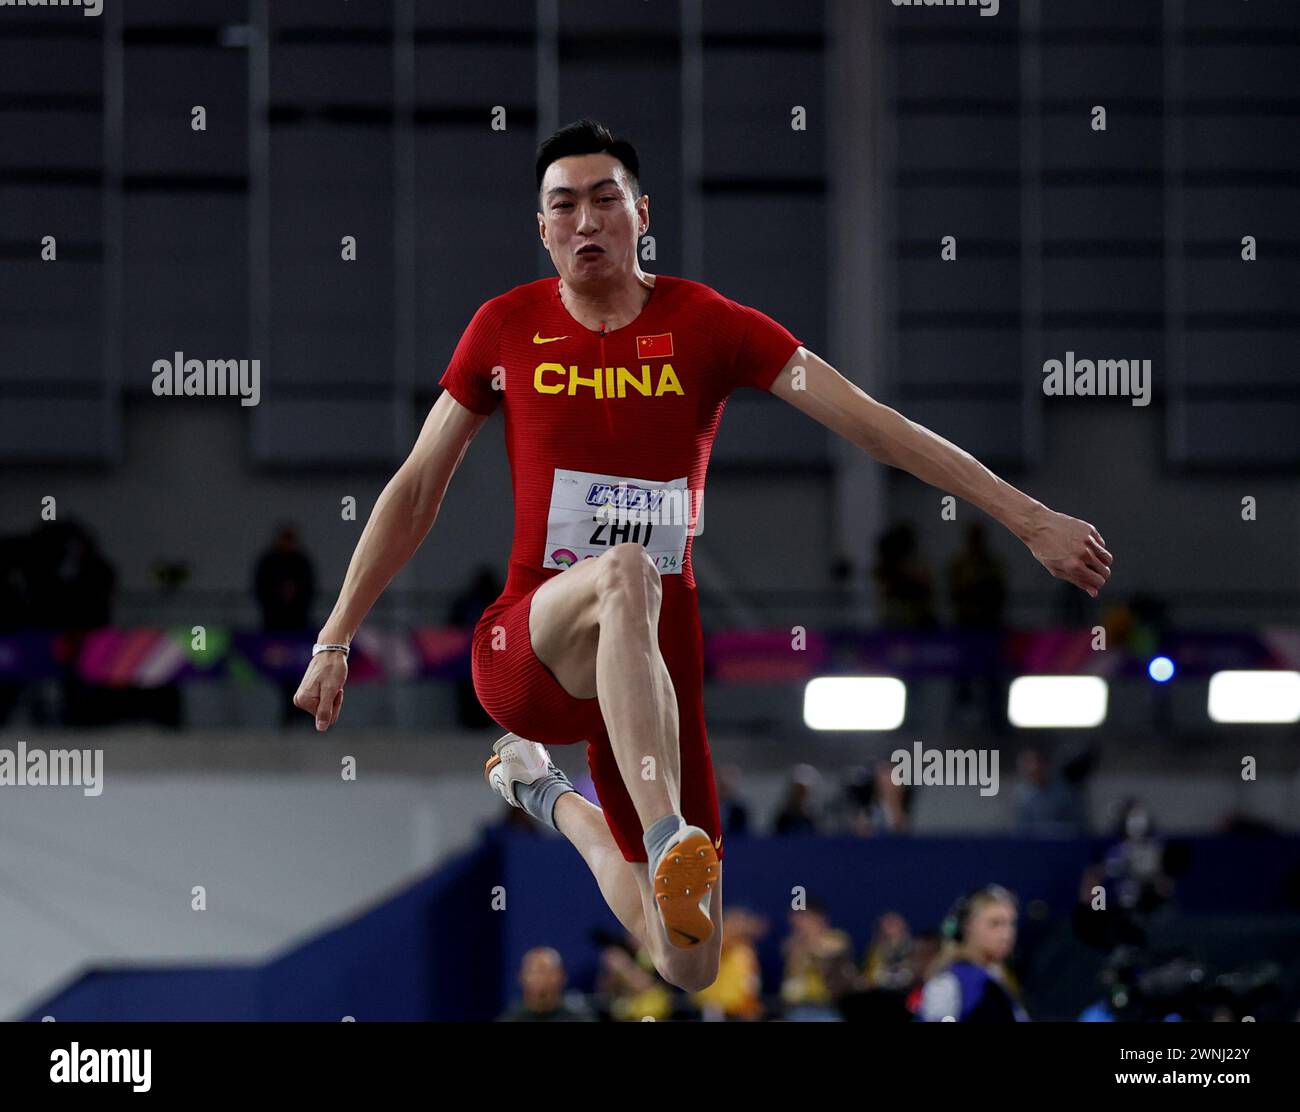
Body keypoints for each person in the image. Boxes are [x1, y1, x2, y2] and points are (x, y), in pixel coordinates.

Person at [292, 118, 1114, 994]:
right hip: (529, 649)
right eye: (563, 206)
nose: (585, 222)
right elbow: (416, 487)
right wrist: (335, 637)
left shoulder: (711, 326)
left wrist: (1028, 519)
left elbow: (877, 426)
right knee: (625, 571)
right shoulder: (504, 329)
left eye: (606, 201)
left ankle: (545, 796)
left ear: (642, 215)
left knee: (687, 961)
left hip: (650, 666)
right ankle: (662, 834)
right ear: (542, 230)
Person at [917, 885, 1029, 1022]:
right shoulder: (948, 983)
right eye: (995, 923)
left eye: (1011, 924)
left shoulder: (999, 977)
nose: (1006, 934)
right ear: (968, 927)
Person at [498, 947, 595, 1022]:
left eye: (548, 972)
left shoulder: (580, 1019)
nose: (541, 979)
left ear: (563, 977)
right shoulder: (509, 1019)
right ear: (521, 978)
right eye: (534, 972)